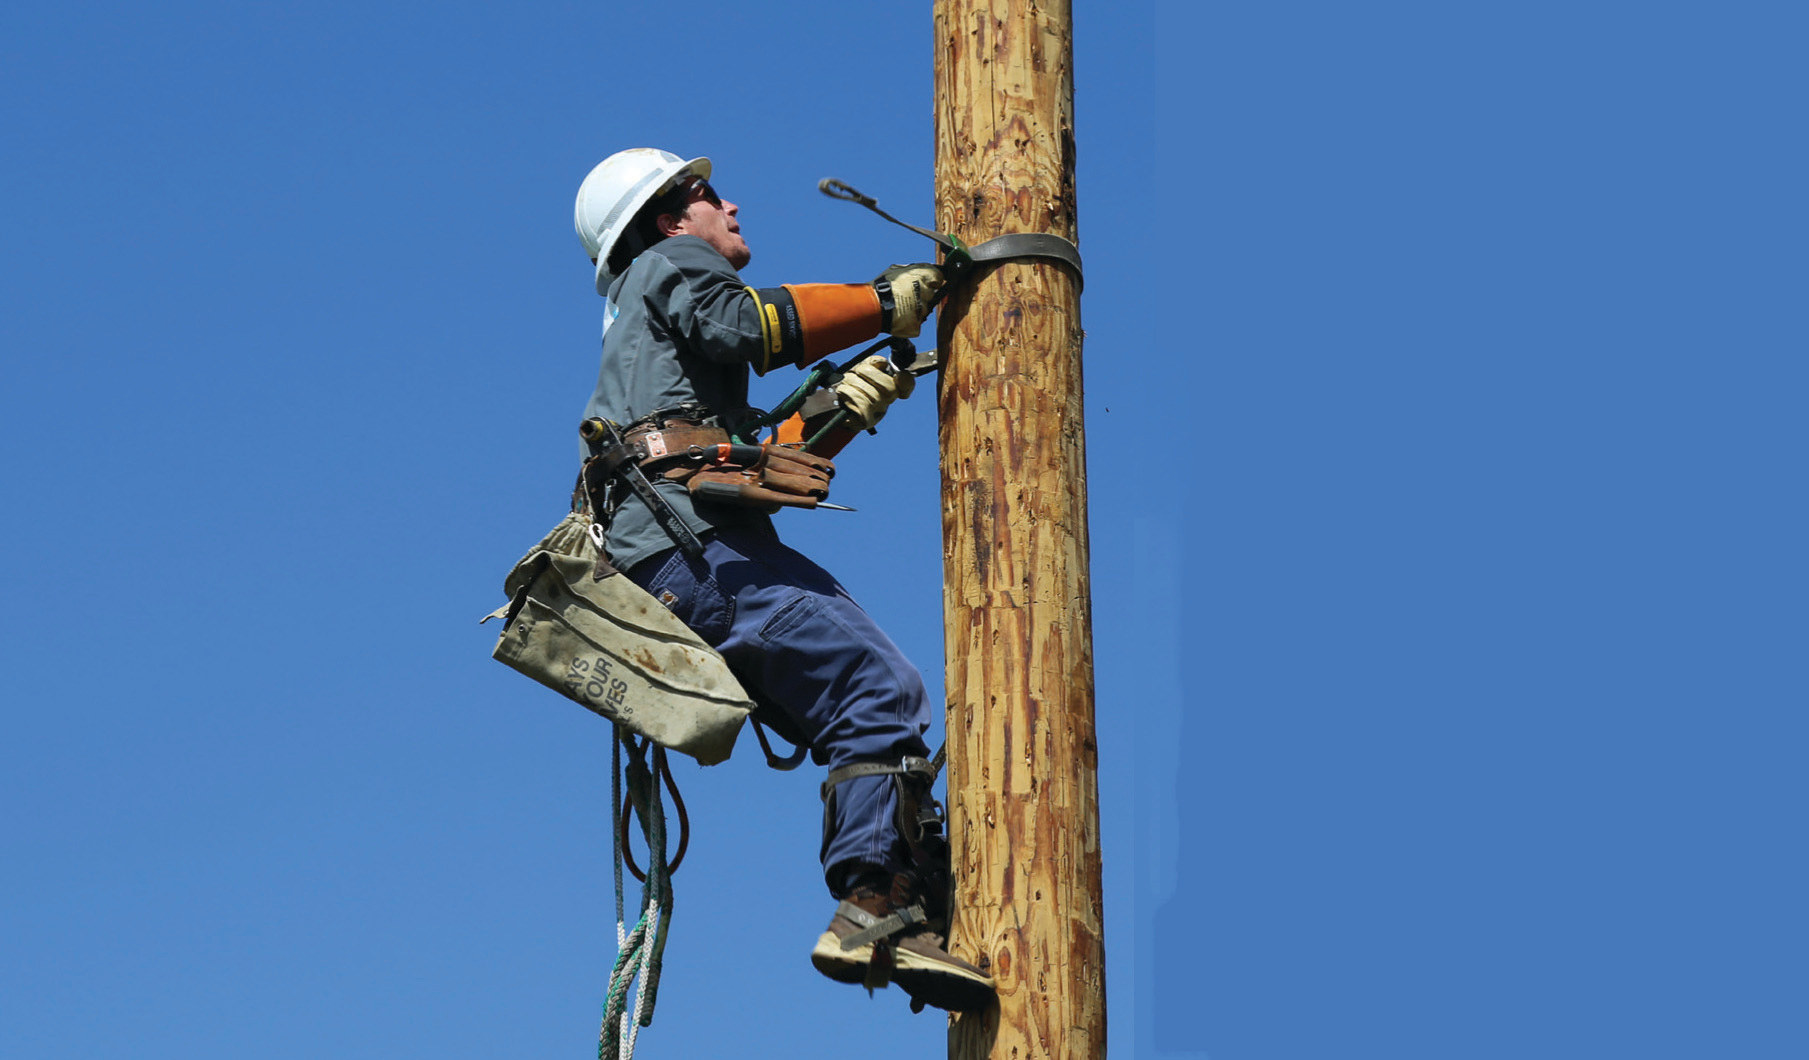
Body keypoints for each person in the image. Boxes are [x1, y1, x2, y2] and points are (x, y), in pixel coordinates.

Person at [572, 148, 994, 1014]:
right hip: (698, 552)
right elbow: (753, 327)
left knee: (862, 713)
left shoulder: (646, 336)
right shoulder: (672, 263)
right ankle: (873, 901)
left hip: (670, 562)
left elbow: (744, 452)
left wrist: (856, 393)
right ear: (665, 217)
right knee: (877, 686)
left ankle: (906, 902)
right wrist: (886, 301)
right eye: (706, 195)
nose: (729, 205)